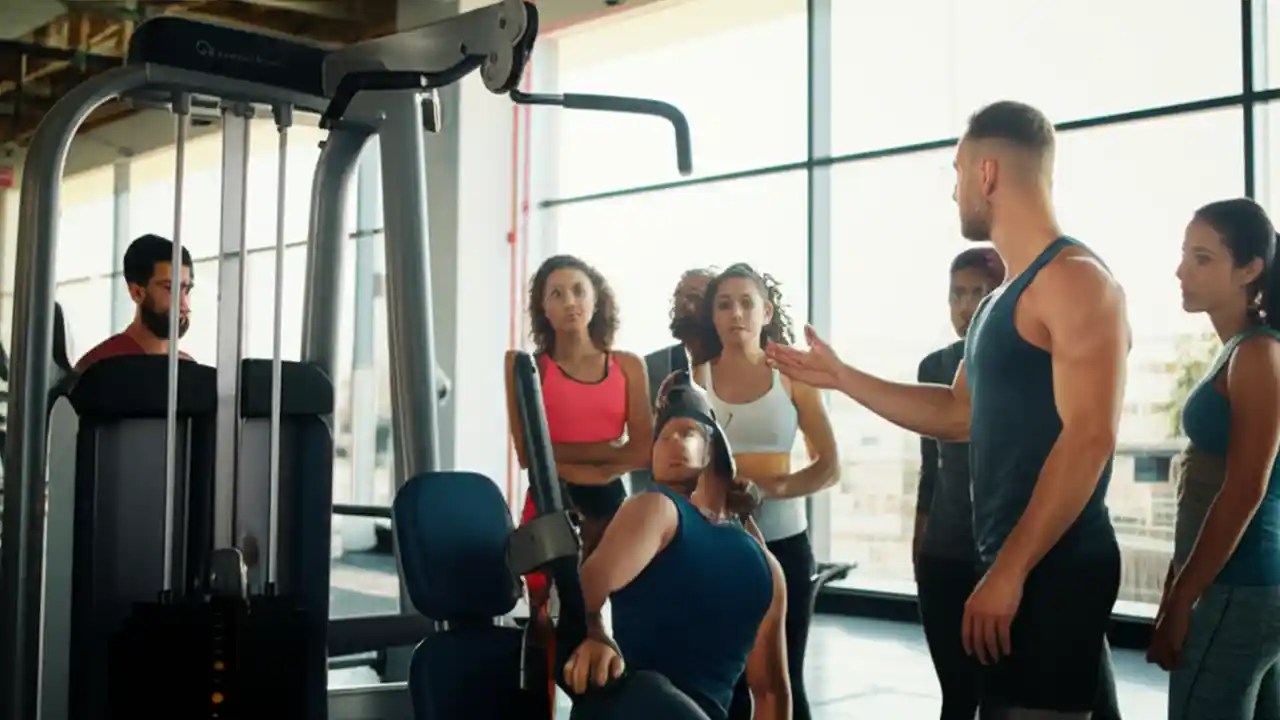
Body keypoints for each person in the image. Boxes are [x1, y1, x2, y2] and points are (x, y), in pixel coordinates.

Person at [767, 100, 1128, 719]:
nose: (954, 190)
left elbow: (1089, 438)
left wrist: (1010, 571)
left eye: (956, 171)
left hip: (1057, 565)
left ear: (986, 173)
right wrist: (844, 377)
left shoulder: (1074, 279)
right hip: (1012, 564)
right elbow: (958, 413)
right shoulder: (999, 302)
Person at [563, 377, 791, 720]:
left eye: (686, 432)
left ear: (712, 448)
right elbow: (579, 598)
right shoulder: (656, 509)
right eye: (662, 437)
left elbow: (771, 693)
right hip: (634, 708)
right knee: (651, 690)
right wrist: (597, 636)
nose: (671, 441)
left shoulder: (767, 566)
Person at [1148, 198, 1280, 720]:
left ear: (1249, 270)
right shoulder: (1239, 350)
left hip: (1238, 586)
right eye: (1185, 254)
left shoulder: (1258, 355)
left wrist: (1184, 600)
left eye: (1202, 258)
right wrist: (1174, 586)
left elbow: (1246, 488)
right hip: (1235, 586)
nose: (1182, 270)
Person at [690, 263, 838, 720]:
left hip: (786, 546)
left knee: (784, 675)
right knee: (725, 678)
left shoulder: (791, 377)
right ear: (713, 316)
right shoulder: (695, 379)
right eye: (724, 304)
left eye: (747, 302)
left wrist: (773, 488)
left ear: (767, 311)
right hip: (716, 547)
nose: (736, 312)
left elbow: (829, 468)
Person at [505, 254, 653, 707]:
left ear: (596, 300)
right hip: (550, 502)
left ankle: (612, 706)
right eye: (556, 293)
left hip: (611, 503)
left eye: (578, 291)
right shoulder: (527, 368)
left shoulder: (627, 366)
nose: (569, 301)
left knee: (603, 616)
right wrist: (607, 453)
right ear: (542, 309)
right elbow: (531, 455)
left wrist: (563, 453)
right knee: (546, 621)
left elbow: (642, 450)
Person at [914, 246, 1005, 719]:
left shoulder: (1021, 364)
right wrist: (919, 544)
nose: (967, 306)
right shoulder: (933, 366)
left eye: (979, 292)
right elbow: (931, 468)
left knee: (999, 695)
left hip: (1000, 558)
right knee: (956, 695)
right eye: (957, 295)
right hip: (943, 553)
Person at [633, 267, 717, 495]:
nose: (684, 305)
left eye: (695, 298)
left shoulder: (735, 370)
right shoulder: (651, 369)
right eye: (679, 296)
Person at [75, 233, 194, 371]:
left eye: (186, 289)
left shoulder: (188, 369)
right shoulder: (100, 366)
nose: (183, 305)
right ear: (137, 293)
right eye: (169, 288)